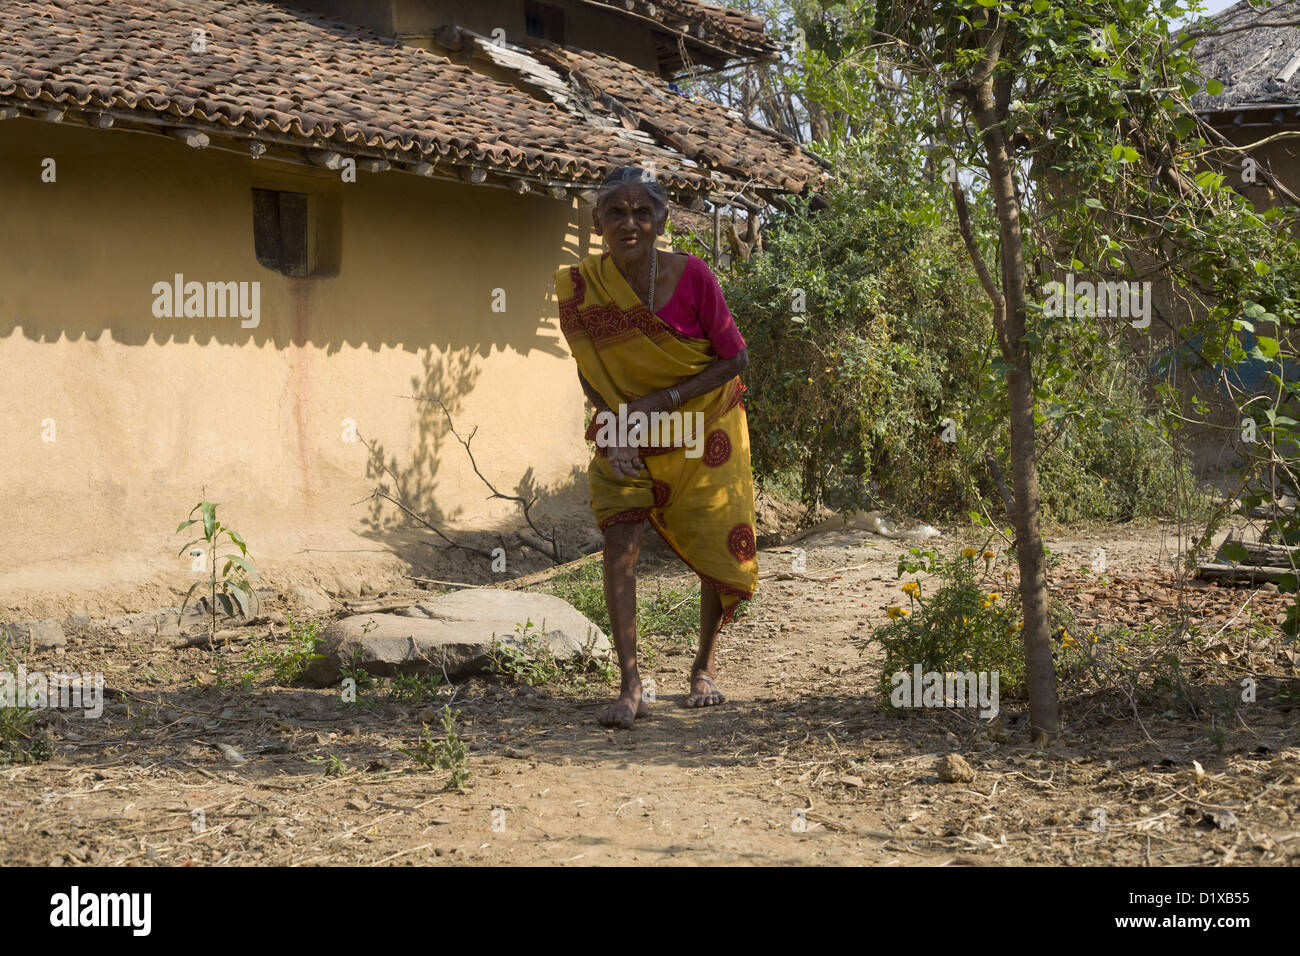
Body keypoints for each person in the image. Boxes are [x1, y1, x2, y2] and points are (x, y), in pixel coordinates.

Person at [552, 165, 758, 729]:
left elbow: (734, 359)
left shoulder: (693, 277)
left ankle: (703, 668)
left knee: (717, 539)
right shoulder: (580, 289)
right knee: (620, 541)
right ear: (597, 222)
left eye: (643, 212)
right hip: (625, 429)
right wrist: (614, 425)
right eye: (616, 212)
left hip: (704, 423)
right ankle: (630, 683)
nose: (630, 222)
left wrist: (662, 399)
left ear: (662, 220)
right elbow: (589, 370)